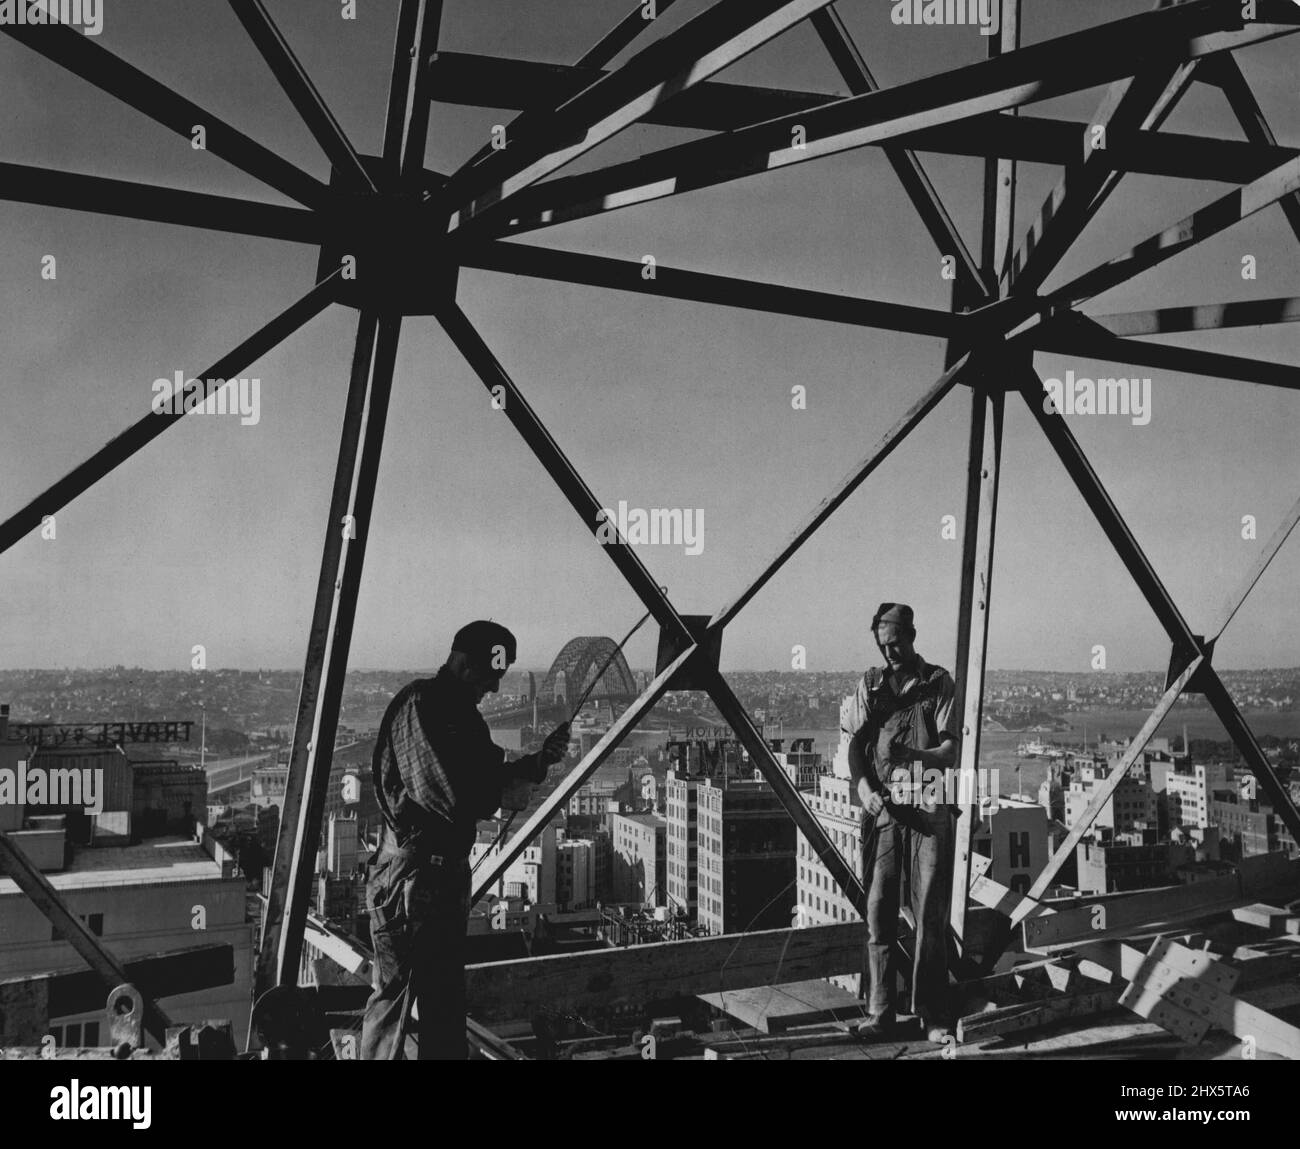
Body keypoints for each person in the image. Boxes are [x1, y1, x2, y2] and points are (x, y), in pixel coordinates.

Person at [359, 620, 570, 1060]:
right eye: (491, 673)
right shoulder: (422, 706)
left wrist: (535, 764)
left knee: (443, 1001)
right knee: (396, 998)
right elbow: (449, 794)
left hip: (434, 875)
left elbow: (486, 775)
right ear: (465, 662)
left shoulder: (460, 715)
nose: (493, 687)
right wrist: (500, 793)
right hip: (412, 878)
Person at [843, 603, 960, 1043]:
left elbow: (950, 751)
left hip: (928, 811)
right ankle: (881, 1012)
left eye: (896, 643)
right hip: (887, 813)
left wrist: (916, 757)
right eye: (883, 645)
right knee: (879, 911)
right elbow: (858, 745)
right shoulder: (872, 686)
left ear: (911, 637)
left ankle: (932, 1014)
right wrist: (863, 788)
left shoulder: (937, 683)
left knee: (930, 912)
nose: (890, 652)